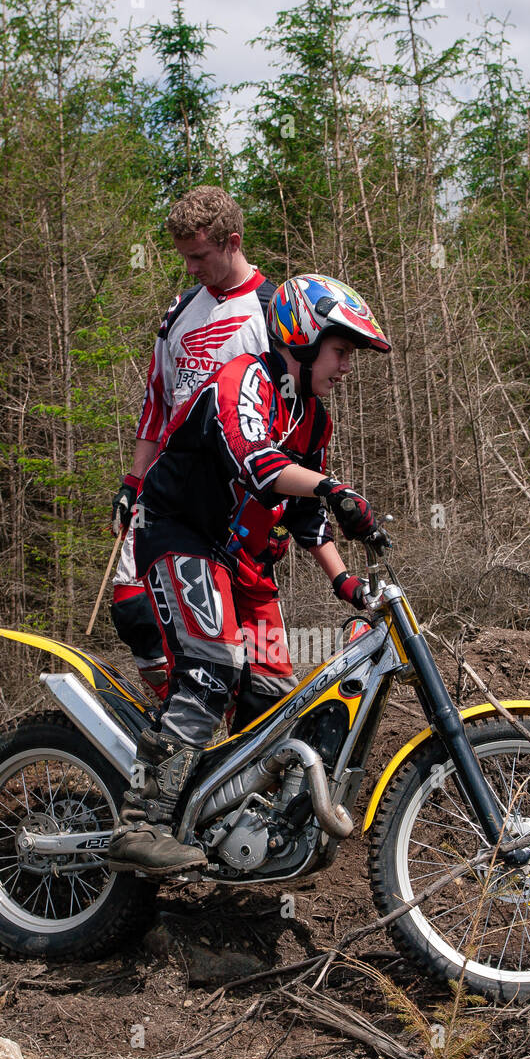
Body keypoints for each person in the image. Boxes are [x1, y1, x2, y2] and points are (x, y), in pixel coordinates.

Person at [107, 274, 390, 876]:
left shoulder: (312, 418)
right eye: (341, 352)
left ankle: (232, 827)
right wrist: (334, 486)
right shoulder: (244, 380)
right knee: (213, 667)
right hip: (177, 531)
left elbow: (305, 512)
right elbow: (257, 464)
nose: (346, 367)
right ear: (305, 338)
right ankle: (143, 821)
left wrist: (345, 582)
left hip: (236, 555)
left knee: (271, 698)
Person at [110, 186, 279, 705]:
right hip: (167, 495)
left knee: (252, 665)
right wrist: (131, 482)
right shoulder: (180, 309)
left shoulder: (273, 312)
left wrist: (280, 503)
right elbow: (157, 400)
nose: (190, 268)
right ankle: (176, 712)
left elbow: (289, 416)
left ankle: (233, 750)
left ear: (232, 242)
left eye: (199, 256)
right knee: (131, 604)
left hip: (238, 504)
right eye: (183, 257)